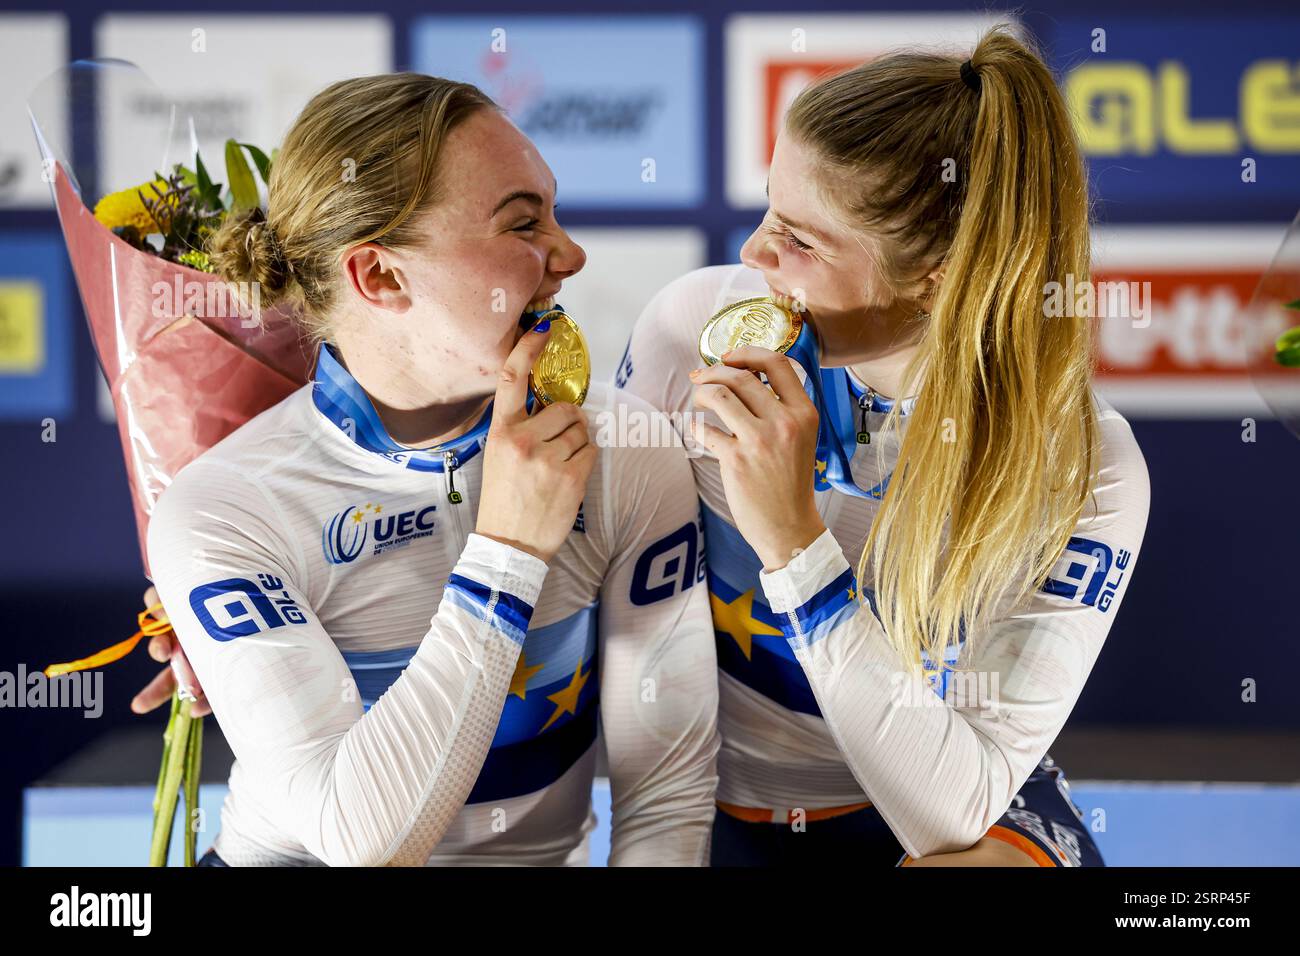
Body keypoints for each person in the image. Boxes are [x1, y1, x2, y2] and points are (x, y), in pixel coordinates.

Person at [142, 73, 719, 866]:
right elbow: (363, 842)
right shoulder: (222, 507)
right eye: (523, 225)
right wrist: (508, 555)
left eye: (555, 211)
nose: (572, 254)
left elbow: (668, 797)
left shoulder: (628, 449)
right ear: (380, 277)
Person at [615, 28, 1150, 866]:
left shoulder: (1081, 464)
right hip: (719, 806)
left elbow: (953, 810)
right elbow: (613, 621)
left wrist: (793, 543)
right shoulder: (693, 332)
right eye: (768, 208)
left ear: (936, 272)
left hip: (949, 819)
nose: (755, 254)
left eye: (801, 238)